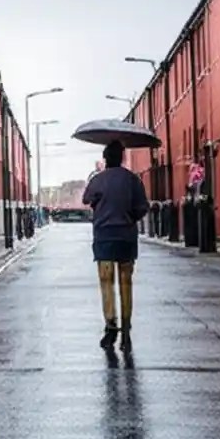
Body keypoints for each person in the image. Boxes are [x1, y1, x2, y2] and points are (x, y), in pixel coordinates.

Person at [82, 140, 148, 350]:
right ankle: (126, 332)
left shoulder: (98, 180)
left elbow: (86, 199)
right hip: (126, 237)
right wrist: (129, 217)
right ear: (122, 157)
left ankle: (111, 326)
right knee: (126, 284)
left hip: (104, 237)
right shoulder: (133, 180)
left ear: (105, 159)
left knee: (106, 283)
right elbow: (143, 207)